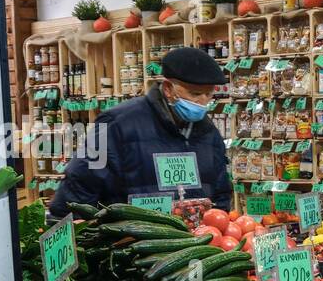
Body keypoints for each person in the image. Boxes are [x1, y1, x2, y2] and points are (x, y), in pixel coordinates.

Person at [48, 46, 232, 217]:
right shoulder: (116, 125)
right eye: (194, 94)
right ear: (168, 89)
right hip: (129, 244)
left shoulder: (209, 133)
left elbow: (220, 193)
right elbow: (78, 188)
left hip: (194, 246)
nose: (202, 102)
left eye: (208, 94)